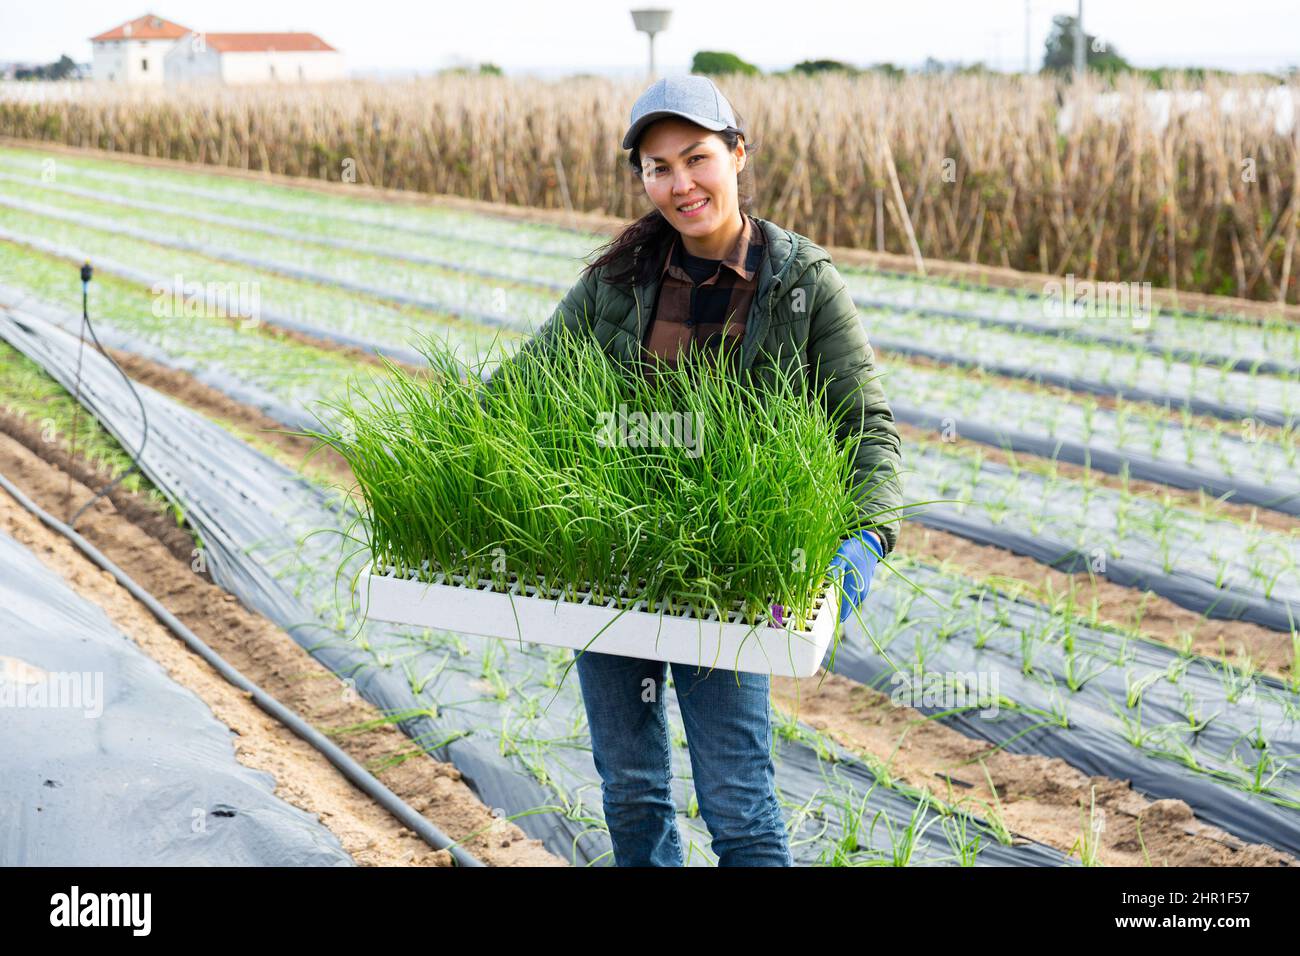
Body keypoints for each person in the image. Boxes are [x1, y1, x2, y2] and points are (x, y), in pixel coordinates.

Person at [485, 75, 904, 866]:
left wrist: (868, 538)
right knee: (631, 789)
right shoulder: (618, 278)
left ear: (738, 155)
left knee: (737, 803)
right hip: (612, 556)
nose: (680, 184)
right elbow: (524, 384)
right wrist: (445, 454)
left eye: (697, 158)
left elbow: (866, 428)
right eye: (657, 167)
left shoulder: (803, 286)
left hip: (729, 569)